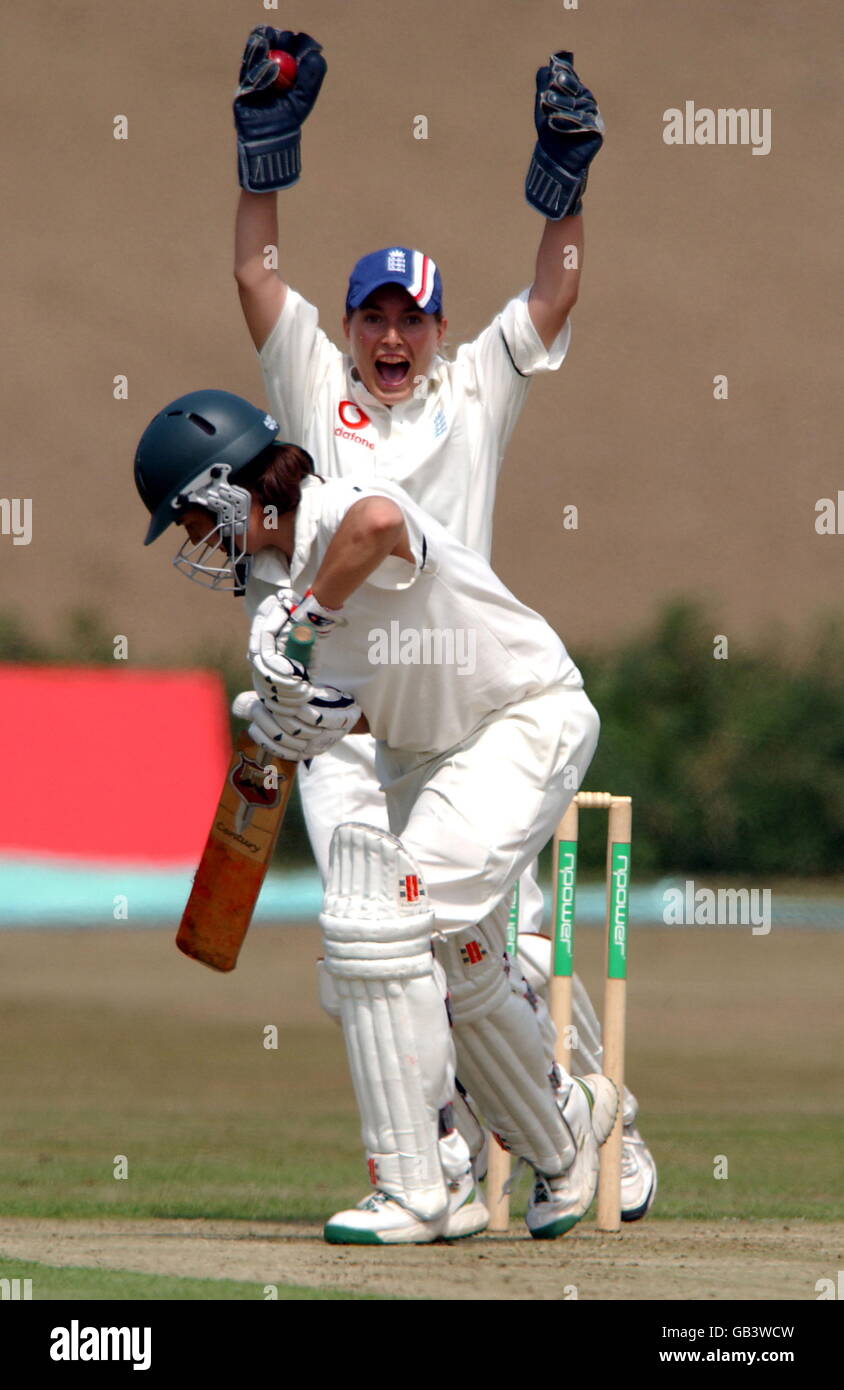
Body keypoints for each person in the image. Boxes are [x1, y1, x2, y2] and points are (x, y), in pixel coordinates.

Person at [231, 27, 656, 1221]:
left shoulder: (477, 385)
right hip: (358, 720)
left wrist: (564, 177)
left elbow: (553, 291)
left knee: (481, 946)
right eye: (374, 317)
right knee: (367, 956)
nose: (389, 338)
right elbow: (258, 279)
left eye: (409, 319)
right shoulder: (317, 388)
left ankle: (592, 1137)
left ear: (435, 325)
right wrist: (264, 150)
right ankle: (442, 1166)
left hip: (463, 694)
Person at [134, 387, 618, 1244]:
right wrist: (308, 718)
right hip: (423, 759)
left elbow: (383, 524)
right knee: (447, 959)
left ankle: (420, 1188)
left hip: (521, 718)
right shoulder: (276, 587)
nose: (195, 544)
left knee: (378, 920)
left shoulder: (335, 511)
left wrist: (308, 617)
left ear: (224, 491)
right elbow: (364, 695)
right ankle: (562, 1132)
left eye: (190, 521)